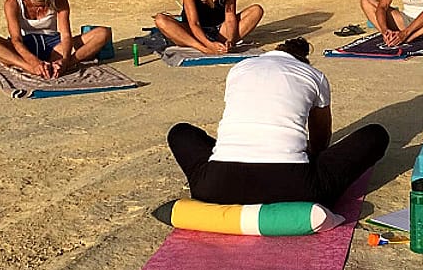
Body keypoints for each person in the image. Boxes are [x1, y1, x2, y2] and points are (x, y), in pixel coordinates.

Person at [167, 38, 389, 206]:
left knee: (180, 132)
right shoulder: (314, 75)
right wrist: (311, 156)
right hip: (296, 189)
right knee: (375, 135)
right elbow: (321, 139)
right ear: (303, 60)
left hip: (214, 187)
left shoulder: (239, 69)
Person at [0, 0, 109, 79]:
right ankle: (26, 67)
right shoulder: (13, 2)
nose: (43, 7)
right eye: (39, 4)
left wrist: (65, 60)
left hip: (54, 45)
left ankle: (63, 66)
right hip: (25, 46)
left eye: (46, 3)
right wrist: (33, 63)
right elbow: (16, 39)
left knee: (103, 33)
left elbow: (66, 36)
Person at [154, 0, 263, 55]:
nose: (213, 0)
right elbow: (194, 23)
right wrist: (208, 46)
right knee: (160, 20)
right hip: (193, 32)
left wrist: (230, 40)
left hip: (220, 29)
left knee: (256, 11)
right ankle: (202, 48)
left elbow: (230, 18)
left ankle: (222, 46)